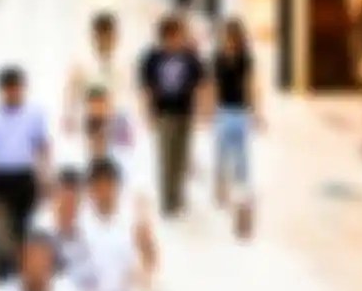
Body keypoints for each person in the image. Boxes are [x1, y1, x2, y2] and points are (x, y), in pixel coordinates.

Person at [0, 66, 51, 280]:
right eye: (8, 88)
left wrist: (45, 178)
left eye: (16, 87)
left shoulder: (34, 113)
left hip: (24, 178)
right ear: (2, 90)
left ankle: (25, 274)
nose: (12, 92)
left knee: (25, 229)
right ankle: (2, 276)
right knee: (0, 233)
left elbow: (43, 147)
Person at [138, 14, 209, 217]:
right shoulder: (152, 57)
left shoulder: (190, 56)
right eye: (174, 35)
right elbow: (146, 87)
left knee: (182, 156)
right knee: (166, 156)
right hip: (163, 113)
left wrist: (204, 109)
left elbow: (202, 83)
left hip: (185, 112)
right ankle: (167, 200)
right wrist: (147, 111)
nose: (178, 40)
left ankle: (178, 197)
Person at [78, 158, 157, 291]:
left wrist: (147, 250)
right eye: (98, 186)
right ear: (90, 189)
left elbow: (150, 263)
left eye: (108, 184)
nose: (104, 191)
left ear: (117, 186)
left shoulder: (132, 221)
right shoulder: (80, 224)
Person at [212, 19, 264, 208]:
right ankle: (220, 192)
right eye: (227, 37)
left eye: (233, 37)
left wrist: (256, 111)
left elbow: (250, 84)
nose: (230, 41)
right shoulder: (218, 58)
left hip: (241, 110)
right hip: (223, 110)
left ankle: (241, 191)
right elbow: (214, 86)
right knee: (221, 153)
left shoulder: (245, 58)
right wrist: (208, 110)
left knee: (241, 155)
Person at [64, 12, 134, 135]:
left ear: (115, 37)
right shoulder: (81, 65)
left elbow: (127, 100)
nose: (105, 40)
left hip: (115, 127)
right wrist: (70, 117)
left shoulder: (124, 66)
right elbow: (71, 96)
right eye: (101, 35)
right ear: (94, 36)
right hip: (87, 127)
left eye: (109, 35)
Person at [0, 232, 84, 291]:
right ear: (20, 263)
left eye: (41, 260)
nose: (36, 266)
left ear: (51, 264)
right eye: (30, 259)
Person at [30, 169, 89, 277]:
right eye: (64, 199)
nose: (69, 206)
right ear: (55, 199)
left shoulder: (87, 236)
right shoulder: (40, 230)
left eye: (73, 201)